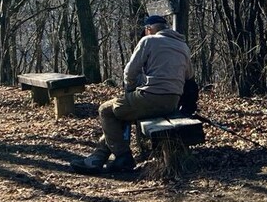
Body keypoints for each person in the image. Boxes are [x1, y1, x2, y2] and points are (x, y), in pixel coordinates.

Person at [72, 15, 191, 175]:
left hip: (150, 98)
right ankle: (97, 158)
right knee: (122, 110)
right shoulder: (182, 45)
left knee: (106, 110)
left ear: (149, 29)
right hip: (172, 102)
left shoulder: (148, 41)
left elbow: (129, 71)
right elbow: (189, 75)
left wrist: (131, 88)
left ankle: (123, 156)